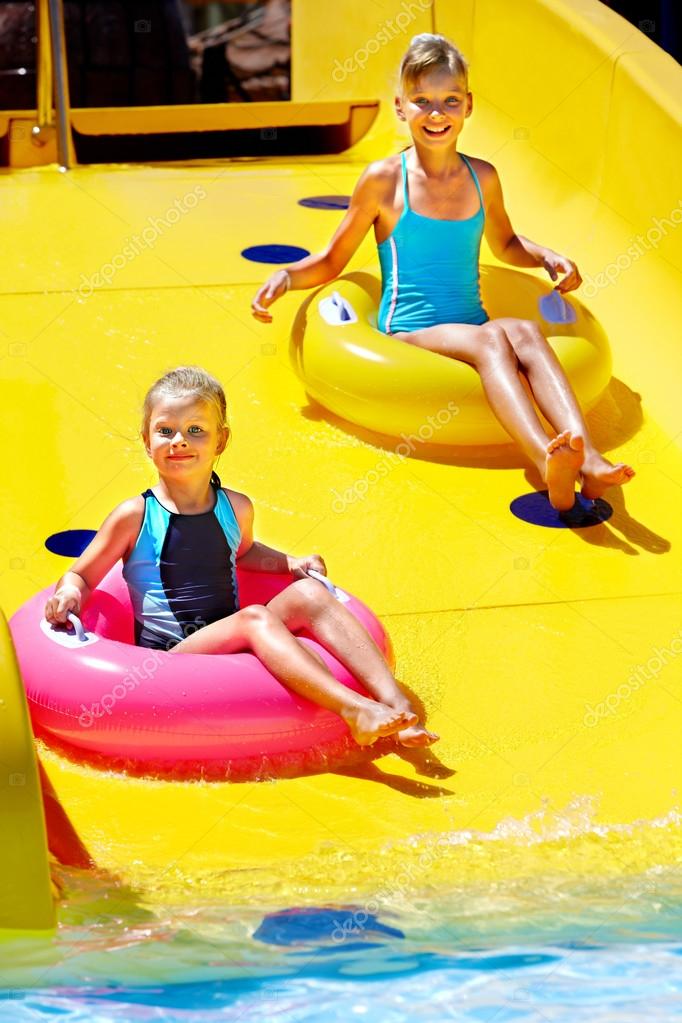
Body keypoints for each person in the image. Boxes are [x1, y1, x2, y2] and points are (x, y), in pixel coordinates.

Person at [251, 33, 634, 511]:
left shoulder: (483, 177)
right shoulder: (384, 180)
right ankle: (544, 458)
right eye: (423, 101)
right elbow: (333, 259)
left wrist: (545, 256)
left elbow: (507, 245)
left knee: (524, 331)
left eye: (450, 100)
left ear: (468, 105)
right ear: (400, 107)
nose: (437, 114)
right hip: (408, 331)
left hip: (469, 326)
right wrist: (285, 279)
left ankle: (589, 456)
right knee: (494, 339)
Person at [44, 366, 437, 749]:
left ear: (221, 441)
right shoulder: (135, 516)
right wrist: (69, 594)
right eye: (165, 431)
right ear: (147, 441)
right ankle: (355, 711)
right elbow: (83, 574)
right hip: (169, 661)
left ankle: (397, 706)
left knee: (311, 595)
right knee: (256, 618)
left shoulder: (235, 508)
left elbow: (244, 552)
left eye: (195, 430)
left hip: (230, 634)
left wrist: (290, 564)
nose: (179, 440)